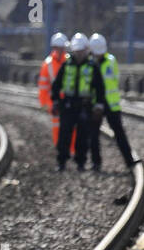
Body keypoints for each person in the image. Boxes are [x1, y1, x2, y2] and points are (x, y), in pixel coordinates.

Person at [50, 32, 105, 172]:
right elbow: (56, 86)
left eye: (81, 51)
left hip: (85, 106)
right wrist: (55, 101)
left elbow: (100, 88)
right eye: (76, 51)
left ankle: (81, 163)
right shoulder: (67, 65)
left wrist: (98, 105)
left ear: (86, 50)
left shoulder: (92, 66)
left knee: (82, 137)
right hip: (67, 106)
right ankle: (61, 162)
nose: (79, 54)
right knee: (64, 135)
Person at [87, 33, 138, 171]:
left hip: (111, 103)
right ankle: (95, 163)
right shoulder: (89, 63)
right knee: (93, 134)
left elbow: (113, 81)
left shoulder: (111, 60)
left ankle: (129, 160)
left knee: (119, 132)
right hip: (95, 104)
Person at [38, 31, 75, 153]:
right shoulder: (47, 64)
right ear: (54, 48)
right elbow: (43, 85)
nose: (61, 50)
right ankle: (60, 150)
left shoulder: (69, 61)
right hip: (53, 101)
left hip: (69, 100)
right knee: (57, 127)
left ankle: (72, 150)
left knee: (72, 127)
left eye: (63, 48)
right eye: (59, 48)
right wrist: (44, 103)